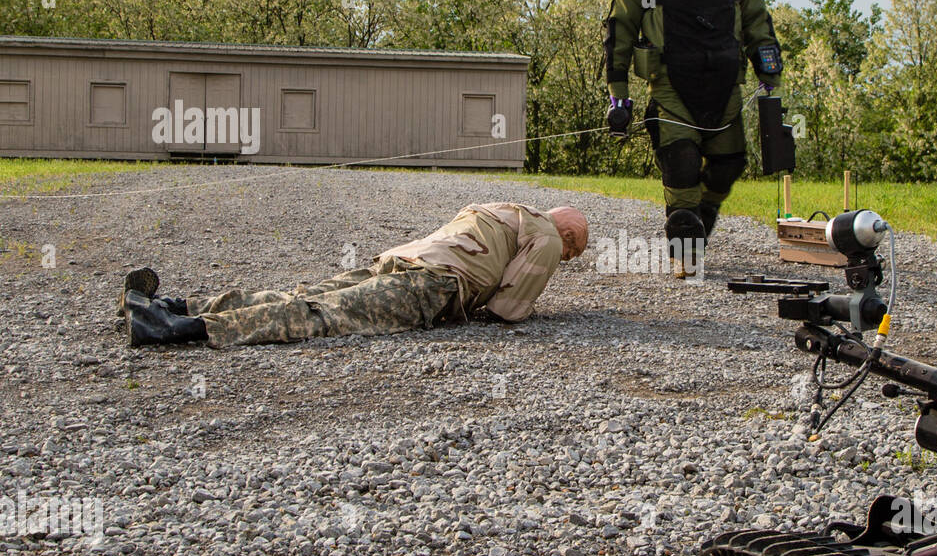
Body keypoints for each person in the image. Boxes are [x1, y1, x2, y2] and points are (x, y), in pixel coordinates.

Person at [602, 0, 783, 278]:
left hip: (725, 90)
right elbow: (617, 39)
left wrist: (770, 76)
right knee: (680, 161)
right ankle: (684, 247)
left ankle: (699, 219)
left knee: (728, 165)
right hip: (669, 89)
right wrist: (619, 100)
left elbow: (758, 27)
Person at [118, 203, 588, 348]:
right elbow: (508, 310)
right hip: (431, 283)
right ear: (566, 234)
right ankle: (175, 329)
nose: (566, 259)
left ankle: (174, 304)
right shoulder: (547, 237)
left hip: (404, 258)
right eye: (574, 250)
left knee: (305, 292)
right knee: (322, 314)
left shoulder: (504, 208)